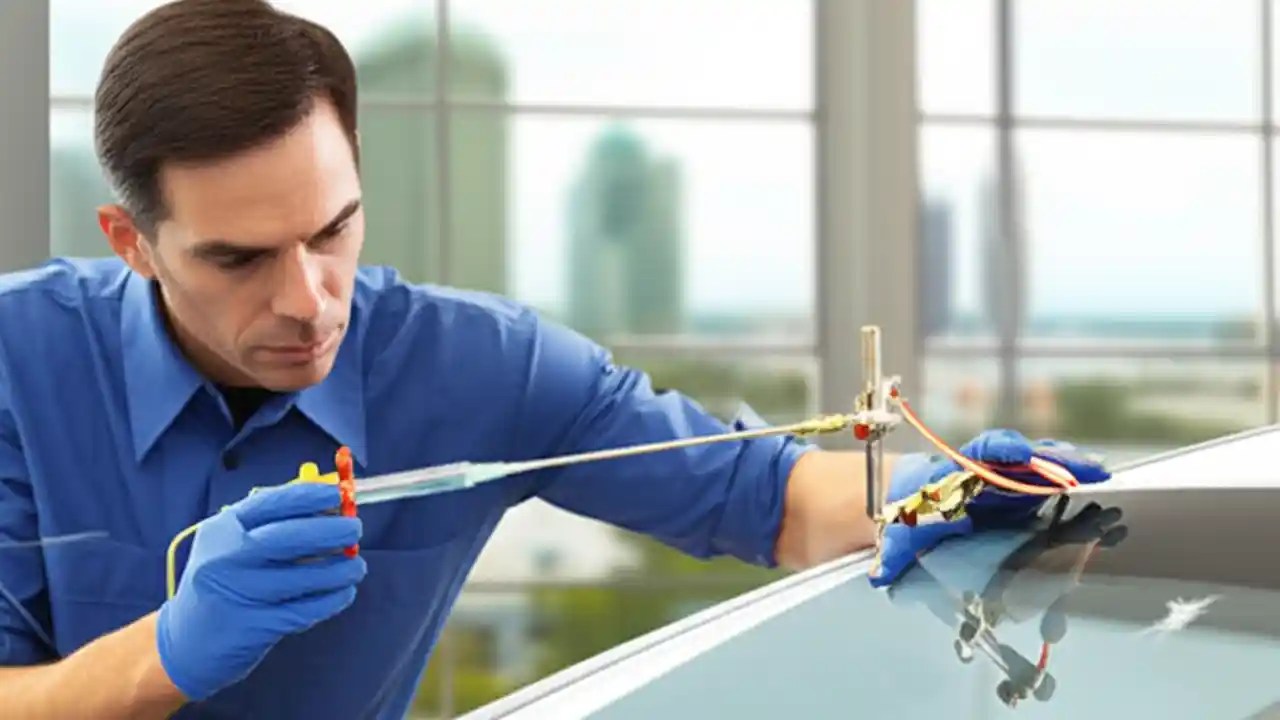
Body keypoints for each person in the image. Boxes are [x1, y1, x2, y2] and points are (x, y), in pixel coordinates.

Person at [0, 1, 1110, 718]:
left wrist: (937, 492)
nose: (306, 300)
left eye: (332, 230)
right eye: (239, 257)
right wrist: (167, 655)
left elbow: (765, 496)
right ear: (130, 241)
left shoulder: (474, 365)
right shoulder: (17, 359)